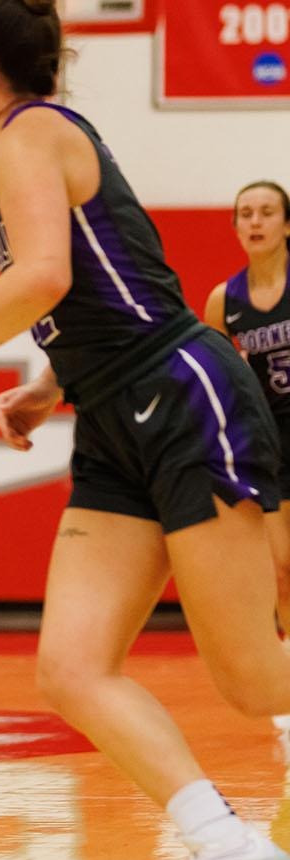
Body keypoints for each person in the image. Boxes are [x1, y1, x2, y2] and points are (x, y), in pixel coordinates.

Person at [0, 2, 290, 860]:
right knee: (71, 666)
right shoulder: (23, 145)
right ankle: (225, 844)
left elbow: (45, 275)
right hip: (110, 413)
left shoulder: (27, 134)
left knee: (255, 681)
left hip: (181, 396)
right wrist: (52, 384)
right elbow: (112, 277)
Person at [201, 180, 290, 739]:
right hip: (267, 444)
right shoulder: (223, 300)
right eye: (245, 213)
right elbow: (214, 377)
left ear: (286, 224)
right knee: (279, 570)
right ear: (236, 227)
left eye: (267, 212)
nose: (255, 221)